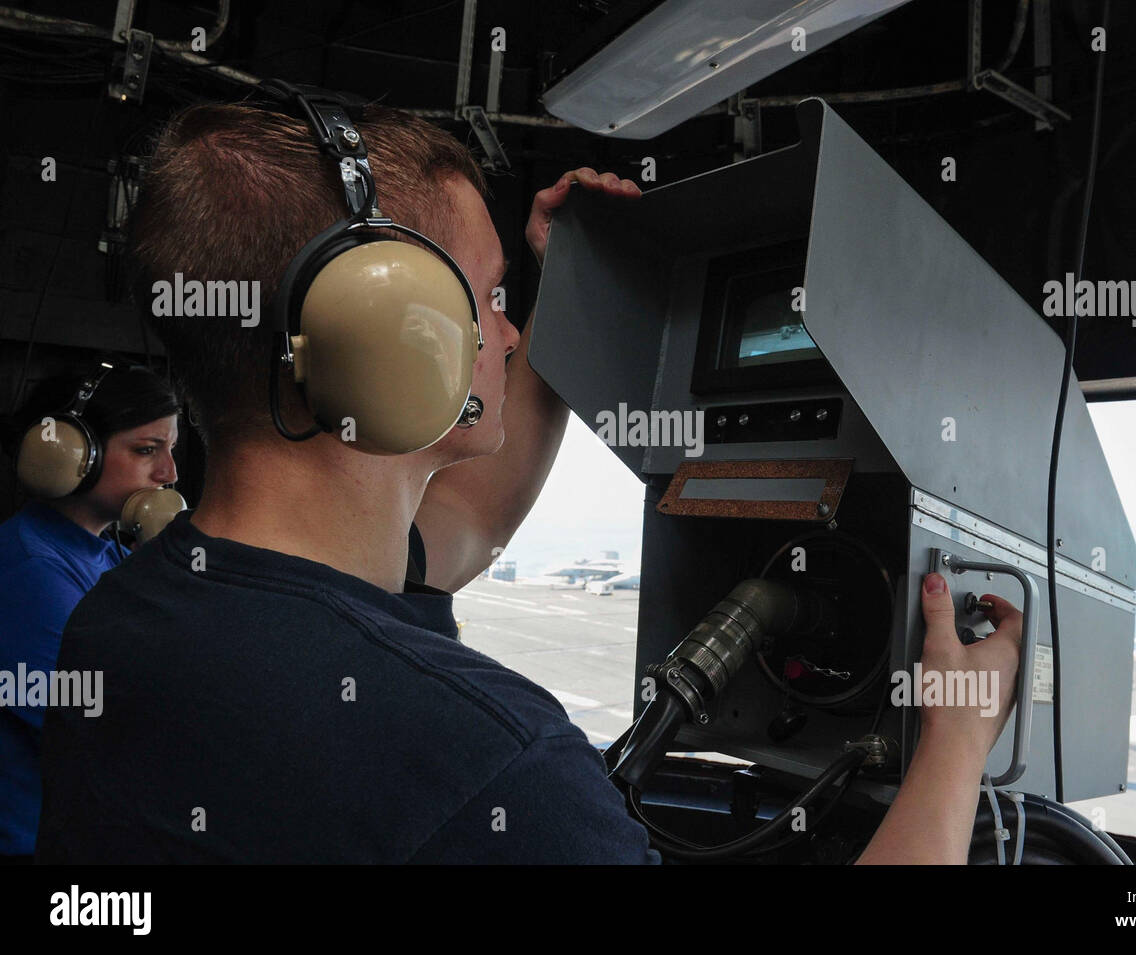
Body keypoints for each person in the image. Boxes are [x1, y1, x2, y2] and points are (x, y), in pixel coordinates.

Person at [36, 91, 1021, 864]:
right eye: (489, 297)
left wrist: (562, 292)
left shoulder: (126, 616)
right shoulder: (488, 761)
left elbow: (466, 531)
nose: (505, 332)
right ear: (389, 337)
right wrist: (954, 746)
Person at [0, 364, 180, 862]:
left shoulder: (108, 553)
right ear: (72, 453)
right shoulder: (28, 572)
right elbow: (108, 733)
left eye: (171, 450)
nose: (170, 473)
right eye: (147, 451)